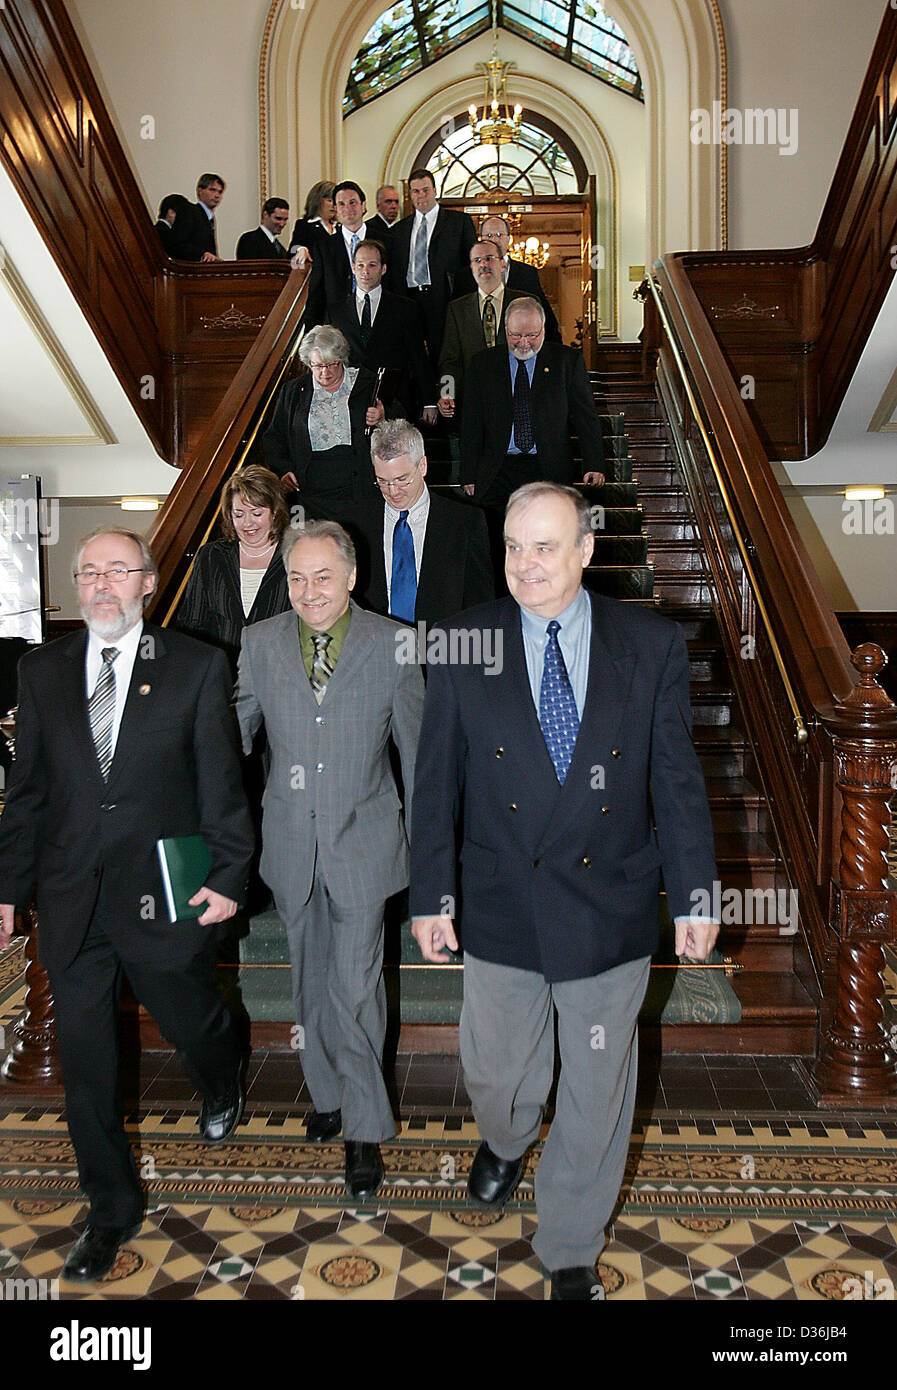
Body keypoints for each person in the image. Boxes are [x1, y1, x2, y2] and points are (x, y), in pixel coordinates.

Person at [410, 482, 719, 1299]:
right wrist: (428, 895)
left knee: (595, 1084)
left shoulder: (647, 644)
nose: (526, 564)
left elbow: (675, 781)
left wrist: (693, 894)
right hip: (500, 898)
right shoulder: (460, 640)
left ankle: (571, 1242)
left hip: (607, 899)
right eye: (514, 546)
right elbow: (434, 782)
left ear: (586, 549)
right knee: (498, 1074)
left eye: (545, 546)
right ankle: (506, 1139)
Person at [0, 528, 254, 1283]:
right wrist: (9, 890)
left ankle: (220, 1074)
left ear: (148, 581)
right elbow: (29, 794)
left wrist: (229, 874)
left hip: (163, 891)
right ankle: (109, 1209)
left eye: (118, 569)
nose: (102, 583)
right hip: (72, 897)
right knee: (85, 1063)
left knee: (189, 1016)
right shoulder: (41, 670)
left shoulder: (196, 666)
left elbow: (222, 785)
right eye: (88, 571)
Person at [235, 520, 424, 1199]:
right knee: (310, 981)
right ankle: (328, 1093)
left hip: (365, 845)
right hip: (288, 845)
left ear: (350, 577)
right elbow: (232, 739)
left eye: (321, 576)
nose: (308, 591)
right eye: (295, 578)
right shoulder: (258, 645)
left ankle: (364, 1130)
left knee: (355, 985)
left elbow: (417, 753)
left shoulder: (393, 643)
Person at [461, 297, 605, 511]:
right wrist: (468, 473)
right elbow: (471, 423)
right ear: (505, 330)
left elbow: (585, 416)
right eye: (516, 335)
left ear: (543, 330)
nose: (523, 343)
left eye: (531, 335)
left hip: (549, 468)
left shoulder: (567, 362)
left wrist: (593, 463)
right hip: (497, 470)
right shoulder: (482, 364)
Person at [354, 419, 493, 626]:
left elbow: (482, 604)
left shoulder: (465, 523)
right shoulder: (358, 523)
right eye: (383, 481)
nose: (392, 491)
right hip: (377, 648)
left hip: (446, 648)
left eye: (402, 479)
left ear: (423, 466)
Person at [262, 325, 389, 523]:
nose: (325, 372)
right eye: (317, 366)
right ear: (308, 363)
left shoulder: (368, 383)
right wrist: (284, 470)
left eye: (331, 364)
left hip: (359, 488)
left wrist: (382, 416)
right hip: (310, 494)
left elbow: (401, 424)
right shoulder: (294, 391)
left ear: (342, 360)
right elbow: (274, 437)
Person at [176, 465, 291, 671]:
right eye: (239, 515)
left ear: (275, 512)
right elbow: (192, 623)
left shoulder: (296, 555)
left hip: (279, 677)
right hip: (221, 677)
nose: (248, 523)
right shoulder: (211, 556)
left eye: (256, 513)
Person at [326, 240, 437, 424]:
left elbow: (418, 357)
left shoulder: (405, 308)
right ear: (353, 268)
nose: (365, 271)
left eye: (372, 265)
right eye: (360, 265)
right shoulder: (335, 311)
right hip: (348, 403)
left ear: (383, 268)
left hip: (395, 401)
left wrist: (429, 401)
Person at [386, 167, 477, 360]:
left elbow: (470, 265)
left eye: (425, 190)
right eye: (415, 191)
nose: (421, 196)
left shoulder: (458, 223)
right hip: (409, 299)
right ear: (410, 194)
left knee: (445, 355)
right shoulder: (399, 230)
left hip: (444, 299)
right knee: (413, 357)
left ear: (435, 191)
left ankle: (445, 390)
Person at [437, 240, 526, 423]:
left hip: (518, 403)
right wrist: (446, 393)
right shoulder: (457, 309)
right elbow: (449, 361)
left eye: (488, 258)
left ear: (503, 264)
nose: (483, 264)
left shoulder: (525, 303)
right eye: (477, 260)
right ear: (471, 268)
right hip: (473, 406)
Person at [453, 215, 561, 342]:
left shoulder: (527, 273)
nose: (494, 240)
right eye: (488, 236)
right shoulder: (465, 275)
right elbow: (457, 320)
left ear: (509, 239)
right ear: (480, 239)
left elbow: (543, 313)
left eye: (499, 235)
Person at [304, 180, 371, 329]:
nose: (348, 208)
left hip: (378, 324)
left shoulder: (386, 241)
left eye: (353, 202)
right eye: (341, 204)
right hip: (338, 327)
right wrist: (311, 333)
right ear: (335, 208)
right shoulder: (324, 248)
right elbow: (316, 296)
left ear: (363, 205)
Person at [169, 173, 225, 262]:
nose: (217, 195)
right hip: (191, 270)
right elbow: (178, 245)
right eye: (212, 190)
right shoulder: (189, 211)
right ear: (200, 191)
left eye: (220, 192)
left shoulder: (210, 218)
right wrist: (202, 255)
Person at [289, 180, 336, 261]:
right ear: (317, 201)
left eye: (337, 201)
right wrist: (300, 249)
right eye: (330, 200)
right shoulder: (304, 225)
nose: (334, 205)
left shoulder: (340, 227)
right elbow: (292, 251)